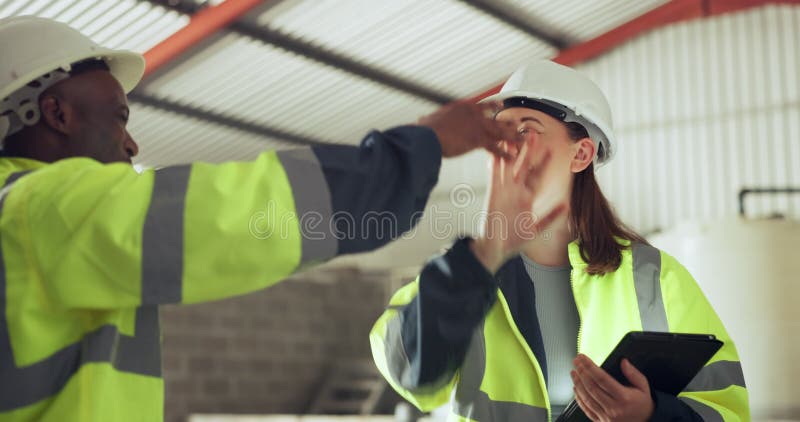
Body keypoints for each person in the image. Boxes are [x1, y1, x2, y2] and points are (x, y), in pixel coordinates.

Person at [0, 16, 521, 422]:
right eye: (118, 117)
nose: (132, 143)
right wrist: (420, 148)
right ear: (56, 113)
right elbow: (242, 214)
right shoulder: (38, 209)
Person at [370, 60, 749, 421]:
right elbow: (407, 373)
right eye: (500, 132)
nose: (507, 146)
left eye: (526, 130)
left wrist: (651, 415)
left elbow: (725, 410)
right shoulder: (463, 272)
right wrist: (483, 256)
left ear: (581, 153)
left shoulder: (653, 278)